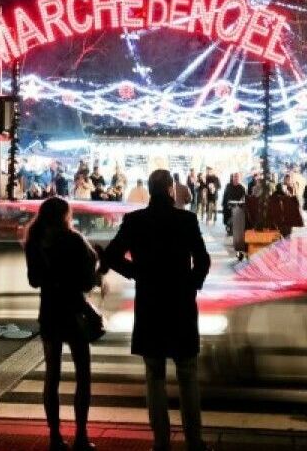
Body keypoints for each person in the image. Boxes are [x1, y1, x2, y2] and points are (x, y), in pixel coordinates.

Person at [104, 170, 212, 451]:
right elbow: (202, 259)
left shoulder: (135, 221)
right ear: (170, 189)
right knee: (187, 374)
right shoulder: (186, 220)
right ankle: (194, 441)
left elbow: (113, 255)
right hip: (180, 302)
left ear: (150, 189)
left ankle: (161, 442)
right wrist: (192, 284)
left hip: (150, 302)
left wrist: (137, 273)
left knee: (154, 376)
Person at [24, 197, 101, 451]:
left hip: (49, 311)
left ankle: (55, 437)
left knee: (52, 377)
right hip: (74, 312)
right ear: (65, 216)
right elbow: (88, 282)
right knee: (83, 376)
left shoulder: (34, 242)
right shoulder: (75, 240)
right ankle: (80, 434)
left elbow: (34, 281)